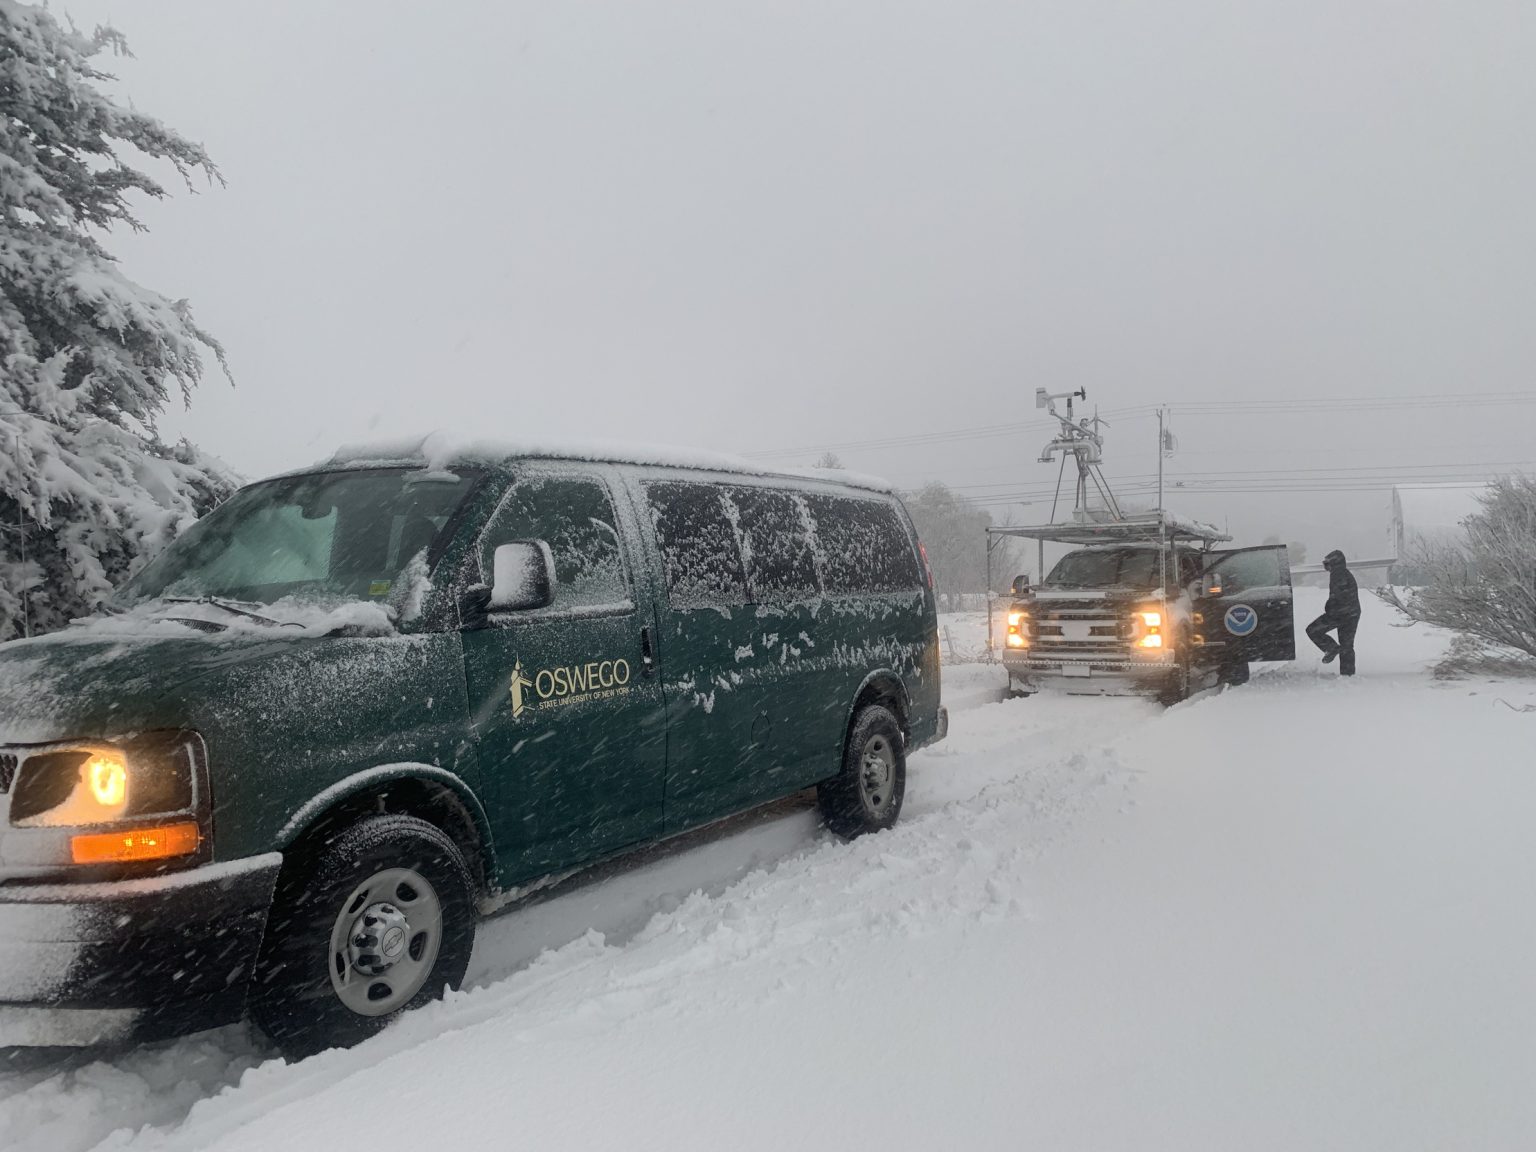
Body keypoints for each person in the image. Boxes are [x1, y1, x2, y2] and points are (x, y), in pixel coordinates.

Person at [1306, 550, 1360, 676]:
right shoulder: (1343, 573)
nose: (1326, 567)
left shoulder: (1338, 573)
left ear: (1335, 563)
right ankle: (1348, 675)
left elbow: (1338, 596)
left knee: (1312, 630)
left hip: (1341, 613)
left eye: (1327, 564)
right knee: (1347, 645)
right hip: (1351, 613)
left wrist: (1330, 607)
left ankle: (1331, 648)